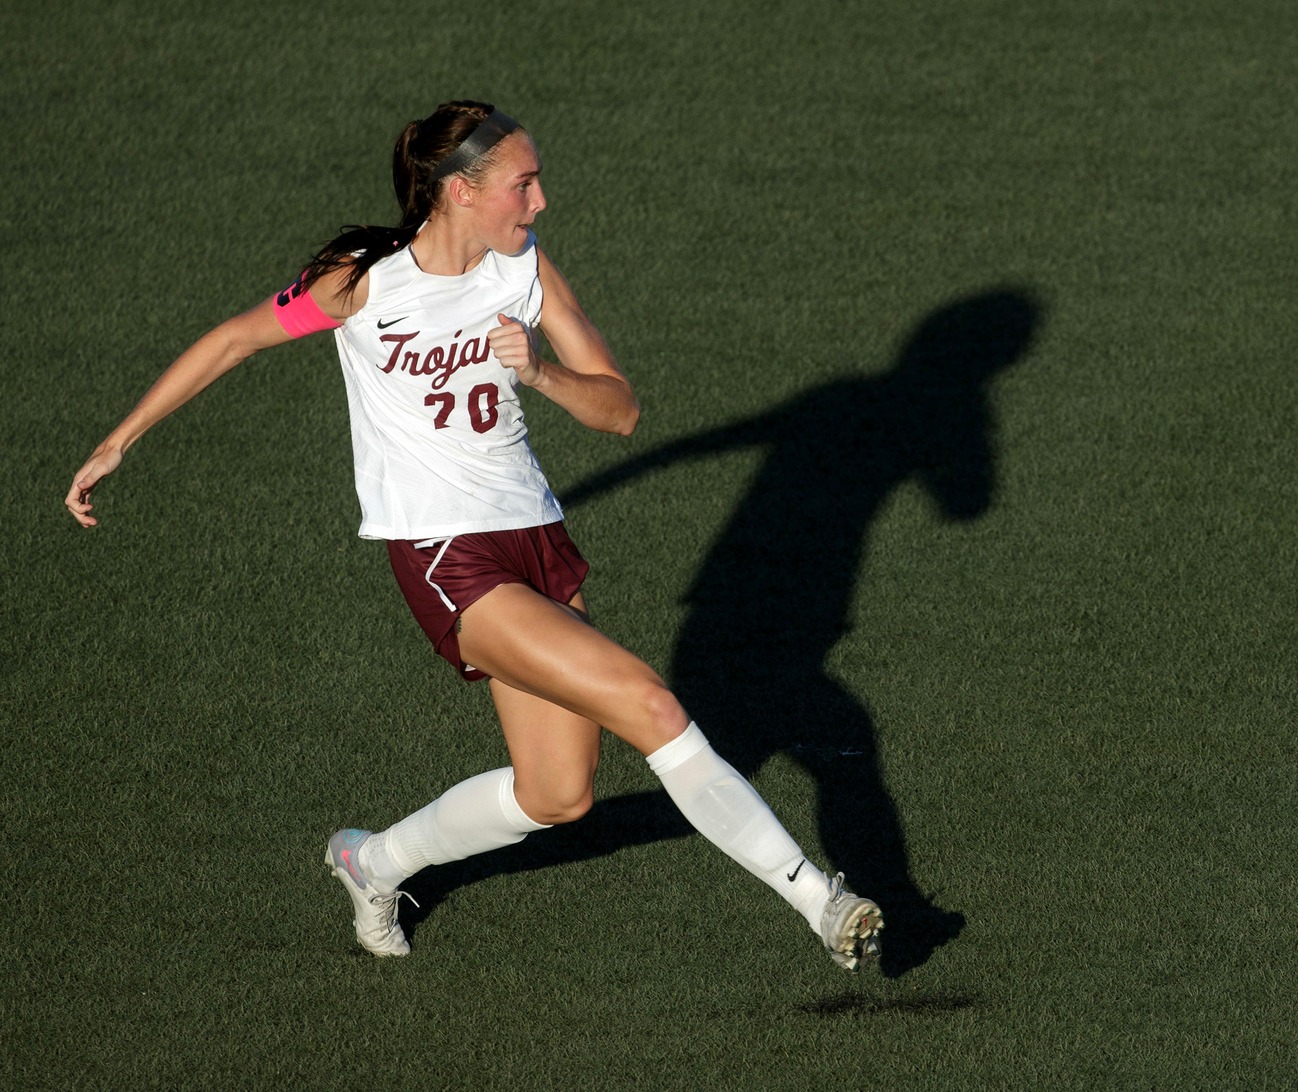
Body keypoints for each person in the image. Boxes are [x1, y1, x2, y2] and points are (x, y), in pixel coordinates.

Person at [65, 100, 884, 971]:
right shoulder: (365, 278)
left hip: (534, 535)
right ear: (460, 191)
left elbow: (620, 409)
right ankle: (820, 901)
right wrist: (121, 438)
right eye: (523, 185)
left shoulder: (522, 268)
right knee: (652, 705)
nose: (538, 203)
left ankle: (371, 862)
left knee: (559, 794)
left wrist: (540, 370)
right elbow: (234, 340)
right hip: (445, 553)